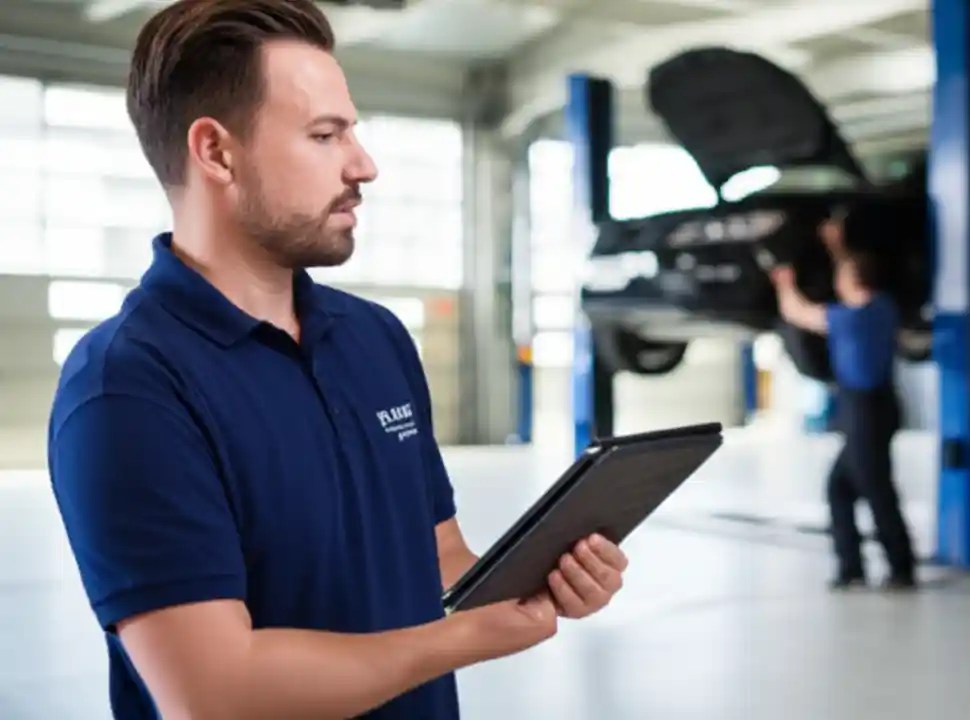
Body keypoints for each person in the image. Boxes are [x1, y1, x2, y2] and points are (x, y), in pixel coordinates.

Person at [46, 2, 628, 718]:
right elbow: (215, 694)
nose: (365, 165)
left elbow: (438, 558)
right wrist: (466, 638)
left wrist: (543, 578)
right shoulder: (127, 389)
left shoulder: (374, 339)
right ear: (216, 152)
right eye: (326, 135)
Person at [768, 216, 918, 590]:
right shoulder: (883, 308)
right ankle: (852, 567)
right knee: (841, 488)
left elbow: (796, 312)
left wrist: (784, 283)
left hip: (864, 413)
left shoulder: (848, 319)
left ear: (850, 282)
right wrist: (837, 247)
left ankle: (900, 568)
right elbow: (853, 274)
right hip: (878, 407)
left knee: (876, 490)